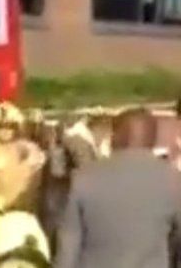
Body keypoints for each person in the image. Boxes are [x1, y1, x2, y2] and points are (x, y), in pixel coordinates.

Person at [54, 107, 181, 268]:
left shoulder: (84, 178)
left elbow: (68, 249)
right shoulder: (173, 180)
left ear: (117, 136)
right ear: (153, 139)